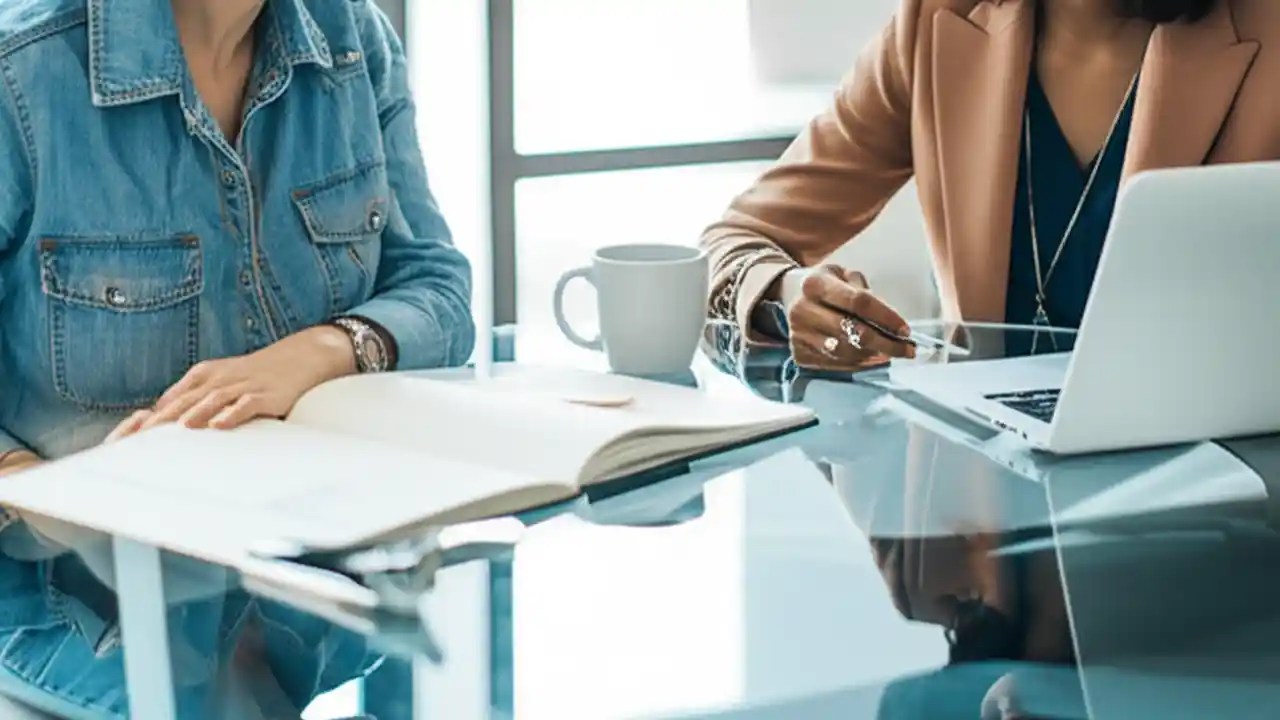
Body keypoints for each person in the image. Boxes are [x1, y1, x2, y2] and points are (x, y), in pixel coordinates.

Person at [0, 0, 474, 716]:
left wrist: (320, 351)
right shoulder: (20, 73)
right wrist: (47, 494)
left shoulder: (352, 37)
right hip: (74, 618)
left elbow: (437, 286)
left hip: (316, 608)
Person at [702, 0, 1280, 369]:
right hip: (985, 507)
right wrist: (784, 296)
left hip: (1224, 498)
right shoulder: (934, 25)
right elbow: (735, 239)